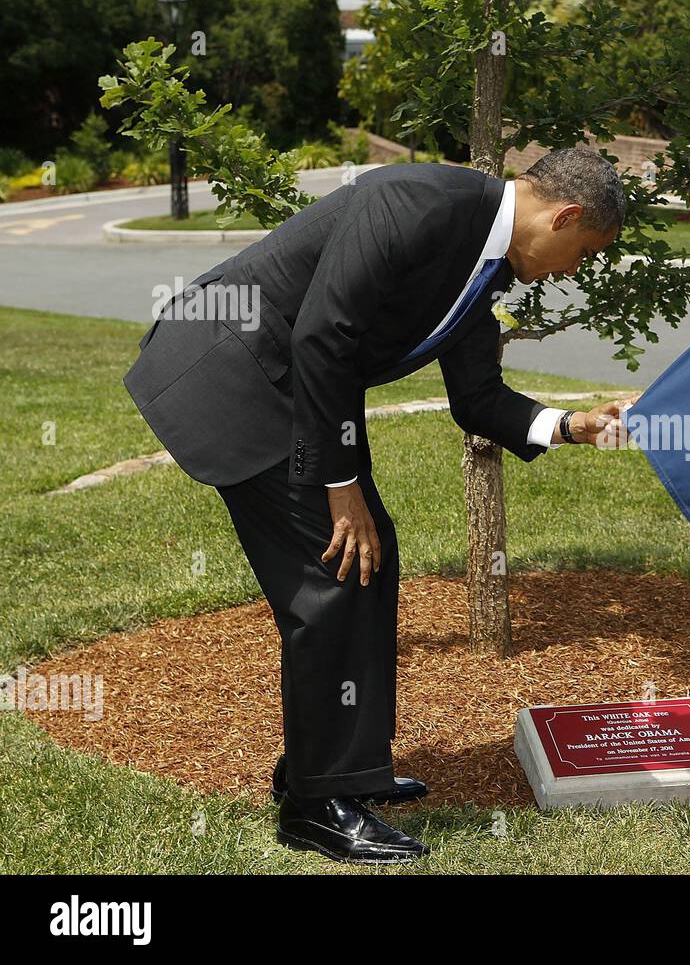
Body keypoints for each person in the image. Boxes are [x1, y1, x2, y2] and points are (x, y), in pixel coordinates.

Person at [124, 148, 630, 863]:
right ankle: (315, 805)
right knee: (332, 568)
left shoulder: (479, 270)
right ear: (565, 215)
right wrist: (342, 487)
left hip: (288, 384)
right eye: (581, 252)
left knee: (365, 558)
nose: (573, 270)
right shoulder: (418, 202)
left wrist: (573, 425)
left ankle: (332, 771)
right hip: (233, 369)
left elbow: (478, 399)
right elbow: (323, 334)